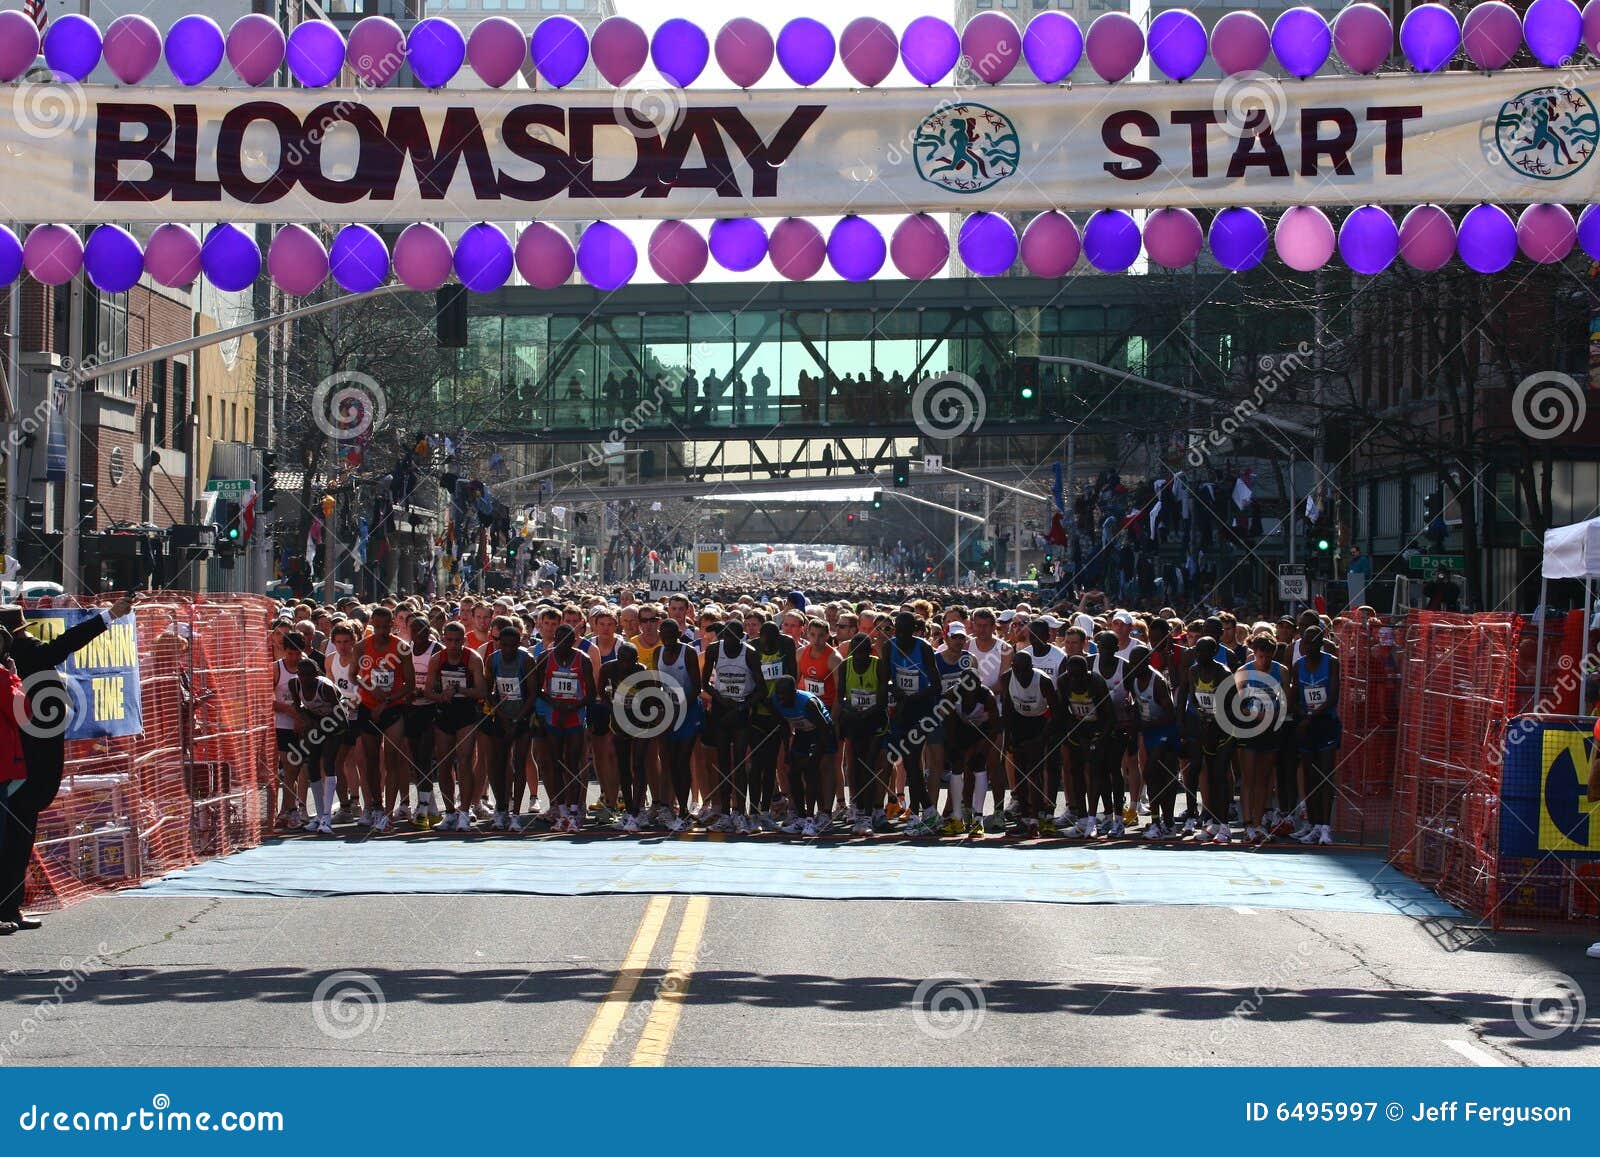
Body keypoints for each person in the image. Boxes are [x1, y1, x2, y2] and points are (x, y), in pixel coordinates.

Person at [0, 594, 133, 931]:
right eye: (25, 634)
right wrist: (108, 617)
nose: (32, 639)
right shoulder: (21, 659)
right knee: (14, 839)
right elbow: (63, 644)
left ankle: (9, 907)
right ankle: (6, 908)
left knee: (18, 838)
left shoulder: (15, 664)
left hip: (22, 765)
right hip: (21, 766)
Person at [1288, 626, 1341, 846]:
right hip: (1306, 725)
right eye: (1304, 644)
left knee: (1325, 775)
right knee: (1309, 776)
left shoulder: (1331, 662)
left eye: (1312, 643)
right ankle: (1313, 824)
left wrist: (1313, 715)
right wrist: (1304, 716)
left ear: (1320, 644)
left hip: (1325, 723)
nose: (1307, 647)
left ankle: (1326, 827)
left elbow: (1333, 695)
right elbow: (1294, 697)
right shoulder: (1298, 666)